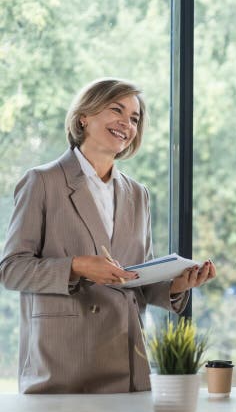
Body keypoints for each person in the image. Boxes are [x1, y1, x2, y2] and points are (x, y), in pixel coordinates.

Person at [0, 78, 216, 394]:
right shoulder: (42, 182)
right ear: (83, 117)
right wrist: (78, 266)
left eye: (134, 118)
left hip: (126, 362)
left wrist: (176, 285)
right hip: (63, 364)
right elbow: (11, 270)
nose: (126, 123)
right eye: (117, 110)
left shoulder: (138, 194)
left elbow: (136, 279)